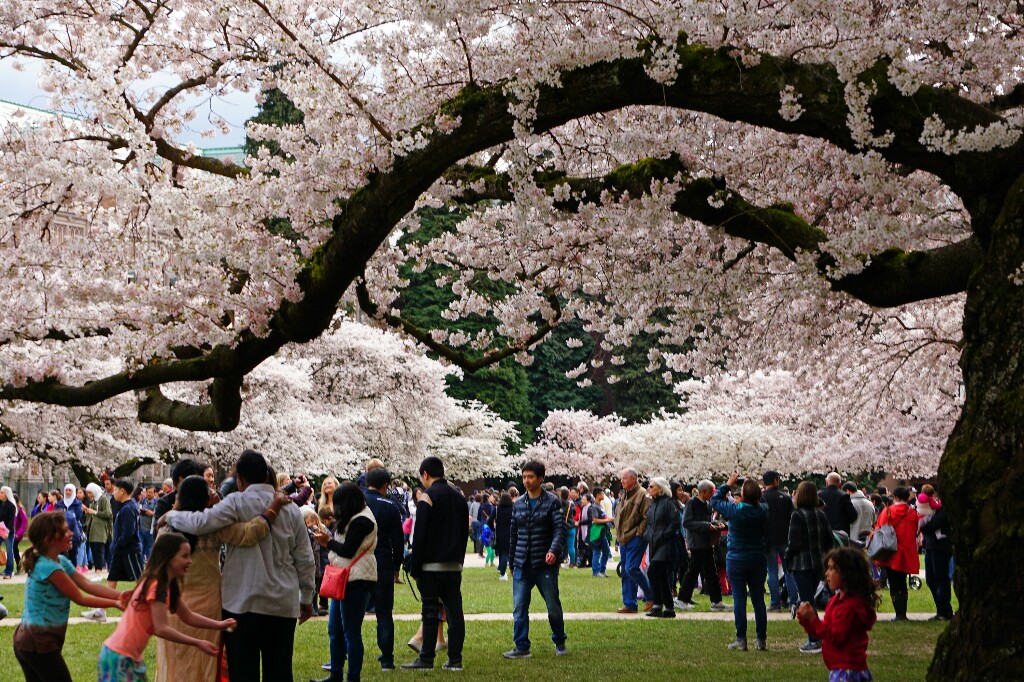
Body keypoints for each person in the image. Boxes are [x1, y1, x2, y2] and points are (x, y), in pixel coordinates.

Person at [162, 449, 317, 681]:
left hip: (241, 603)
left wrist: (170, 516)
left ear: (241, 480)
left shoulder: (235, 502)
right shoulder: (292, 510)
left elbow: (200, 522)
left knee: (243, 673)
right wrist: (306, 598)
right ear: (266, 476)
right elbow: (305, 558)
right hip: (282, 602)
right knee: (280, 670)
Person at [157, 475, 287, 682]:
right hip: (209, 604)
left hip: (175, 604)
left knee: (177, 661)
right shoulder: (213, 525)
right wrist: (274, 506)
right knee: (206, 662)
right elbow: (250, 533)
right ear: (205, 498)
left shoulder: (164, 528)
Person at [98, 532, 236, 681]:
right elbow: (161, 628)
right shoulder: (157, 586)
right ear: (169, 557)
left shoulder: (167, 585)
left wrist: (220, 625)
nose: (189, 561)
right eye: (184, 556)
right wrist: (197, 642)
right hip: (120, 658)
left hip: (126, 657)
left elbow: (187, 616)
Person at [12, 512, 129, 682]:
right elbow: (80, 598)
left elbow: (88, 585)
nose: (71, 533)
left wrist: (121, 595)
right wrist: (116, 603)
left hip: (32, 641)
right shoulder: (49, 567)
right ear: (49, 539)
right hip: (38, 641)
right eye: (65, 531)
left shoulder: (60, 561)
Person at [401, 456, 469, 671]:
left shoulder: (427, 497)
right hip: (453, 565)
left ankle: (426, 658)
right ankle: (455, 660)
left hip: (431, 566)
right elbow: (463, 532)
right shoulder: (459, 497)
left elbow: (419, 535)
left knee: (429, 612)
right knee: (455, 613)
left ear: (425, 474)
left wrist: (415, 566)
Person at [310, 482, 378, 682]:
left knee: (351, 632)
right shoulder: (352, 517)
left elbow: (348, 550)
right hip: (344, 577)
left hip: (357, 580)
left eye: (337, 503)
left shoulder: (363, 520)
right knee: (335, 630)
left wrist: (327, 542)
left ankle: (352, 677)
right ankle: (335, 674)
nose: (334, 508)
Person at [503, 460, 568, 660]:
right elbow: (513, 534)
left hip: (544, 564)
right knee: (519, 608)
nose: (526, 481)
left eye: (530, 477)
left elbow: (559, 530)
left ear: (540, 478)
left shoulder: (552, 502)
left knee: (552, 607)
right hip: (522, 562)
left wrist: (553, 551)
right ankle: (521, 646)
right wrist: (511, 561)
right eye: (524, 477)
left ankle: (559, 640)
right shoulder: (519, 503)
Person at [797, 547, 879, 682]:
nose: (826, 574)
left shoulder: (850, 607)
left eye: (832, 569)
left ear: (847, 573)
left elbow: (835, 636)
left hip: (847, 670)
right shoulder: (836, 601)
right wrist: (807, 621)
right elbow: (825, 631)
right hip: (840, 668)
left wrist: (813, 619)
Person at [710, 473, 770, 651]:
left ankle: (741, 638)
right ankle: (761, 639)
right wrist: (753, 485)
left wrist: (728, 484)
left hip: (737, 558)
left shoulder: (734, 510)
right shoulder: (762, 511)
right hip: (757, 557)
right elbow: (764, 501)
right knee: (758, 600)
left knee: (739, 599)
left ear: (742, 495)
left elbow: (715, 500)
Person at [785, 481, 836, 654]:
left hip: (802, 563)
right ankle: (816, 637)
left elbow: (794, 543)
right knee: (811, 598)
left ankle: (814, 639)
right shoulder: (820, 514)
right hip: (818, 563)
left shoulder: (797, 515)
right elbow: (830, 539)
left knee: (807, 601)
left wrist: (787, 557)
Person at [362, 467, 404, 672]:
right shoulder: (390, 506)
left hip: (359, 562)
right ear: (385, 485)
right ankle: (387, 659)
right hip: (383, 562)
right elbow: (398, 540)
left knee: (351, 614)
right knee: (384, 614)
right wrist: (397, 565)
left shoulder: (358, 502)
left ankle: (345, 654)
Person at [676, 480, 729, 611]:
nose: (712, 494)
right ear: (704, 491)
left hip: (706, 543)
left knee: (712, 572)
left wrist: (716, 524)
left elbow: (707, 521)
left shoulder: (707, 504)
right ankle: (682, 598)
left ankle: (716, 601)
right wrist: (706, 526)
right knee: (693, 571)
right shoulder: (692, 503)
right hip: (696, 543)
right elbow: (687, 522)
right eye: (711, 491)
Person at [872, 485, 919, 622]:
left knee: (893, 582)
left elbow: (879, 529)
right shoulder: (912, 512)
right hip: (906, 550)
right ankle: (903, 613)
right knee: (902, 583)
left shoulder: (888, 512)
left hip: (890, 550)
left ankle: (899, 613)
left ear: (895, 497)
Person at [614, 467, 653, 613]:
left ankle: (651, 595)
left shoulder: (642, 495)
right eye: (621, 478)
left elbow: (647, 517)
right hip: (624, 537)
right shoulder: (625, 495)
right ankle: (630, 604)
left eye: (624, 478)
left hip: (635, 537)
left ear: (633, 479)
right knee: (625, 571)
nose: (622, 481)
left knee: (632, 568)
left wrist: (639, 532)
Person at [644, 477, 682, 618]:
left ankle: (658, 604)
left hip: (665, 544)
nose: (649, 488)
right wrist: (648, 535)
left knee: (653, 572)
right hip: (654, 543)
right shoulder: (653, 504)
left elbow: (675, 523)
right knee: (661, 576)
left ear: (660, 488)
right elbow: (649, 523)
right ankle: (668, 608)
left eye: (652, 486)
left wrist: (663, 535)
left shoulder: (668, 504)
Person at [762, 471, 798, 613]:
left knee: (771, 571)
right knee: (789, 570)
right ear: (776, 480)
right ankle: (793, 601)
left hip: (768, 539)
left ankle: (775, 603)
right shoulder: (785, 497)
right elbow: (793, 517)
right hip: (785, 538)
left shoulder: (762, 498)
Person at [920, 488, 954, 621]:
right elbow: (924, 526)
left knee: (941, 578)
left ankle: (945, 610)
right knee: (931, 579)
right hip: (930, 546)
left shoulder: (943, 511)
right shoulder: (932, 511)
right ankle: (942, 609)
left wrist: (925, 525)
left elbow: (930, 526)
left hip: (941, 547)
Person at [82, 483, 113, 578]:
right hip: (92, 530)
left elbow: (108, 514)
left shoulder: (103, 499)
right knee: (94, 551)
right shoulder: (93, 501)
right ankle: (97, 571)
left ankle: (100, 572)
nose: (89, 495)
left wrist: (94, 512)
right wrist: (87, 510)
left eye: (90, 492)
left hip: (101, 531)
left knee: (100, 551)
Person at [56, 484, 85, 569]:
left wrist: (66, 516)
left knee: (73, 552)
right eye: (66, 490)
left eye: (70, 490)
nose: (68, 492)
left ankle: (73, 571)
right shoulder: (60, 504)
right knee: (61, 552)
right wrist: (69, 516)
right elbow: (56, 515)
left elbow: (78, 516)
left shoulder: (77, 503)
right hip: (61, 530)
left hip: (73, 530)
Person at [589, 489, 613, 577]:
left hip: (602, 531)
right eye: (602, 493)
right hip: (598, 532)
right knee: (597, 551)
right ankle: (596, 571)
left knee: (605, 551)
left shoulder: (600, 505)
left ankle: (602, 570)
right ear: (597, 495)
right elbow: (595, 520)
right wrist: (608, 520)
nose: (604, 495)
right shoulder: (595, 506)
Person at [494, 491, 514, 581]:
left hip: (499, 533)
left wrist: (493, 528)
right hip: (510, 533)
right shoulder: (513, 509)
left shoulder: (497, 509)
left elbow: (490, 520)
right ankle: (502, 572)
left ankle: (501, 570)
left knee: (502, 552)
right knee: (506, 552)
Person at [139, 486, 159, 562]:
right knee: (140, 548)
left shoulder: (157, 503)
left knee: (150, 550)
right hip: (141, 529)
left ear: (154, 493)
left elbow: (159, 514)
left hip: (150, 530)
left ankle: (149, 566)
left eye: (150, 492)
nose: (148, 494)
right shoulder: (142, 501)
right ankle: (140, 567)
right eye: (147, 492)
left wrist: (152, 513)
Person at [0, 486, 16, 578]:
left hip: (7, 532)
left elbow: (11, 521)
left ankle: (9, 572)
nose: (0, 494)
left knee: (9, 551)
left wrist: (7, 532)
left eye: (2, 493)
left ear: (7, 494)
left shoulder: (11, 506)